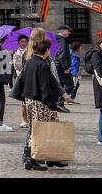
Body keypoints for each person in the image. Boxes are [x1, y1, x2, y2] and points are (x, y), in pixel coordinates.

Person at [19, 27, 66, 171]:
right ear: (46, 50)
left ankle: (49, 157)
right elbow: (45, 89)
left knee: (37, 130)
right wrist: (52, 107)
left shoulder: (30, 61)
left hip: (30, 100)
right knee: (43, 130)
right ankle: (32, 159)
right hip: (40, 102)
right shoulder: (42, 65)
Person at [11, 34, 30, 128]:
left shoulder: (31, 52)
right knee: (23, 101)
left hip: (30, 78)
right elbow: (17, 67)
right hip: (21, 78)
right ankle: (24, 120)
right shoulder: (16, 54)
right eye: (22, 41)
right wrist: (23, 60)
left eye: (25, 41)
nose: (24, 43)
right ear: (19, 43)